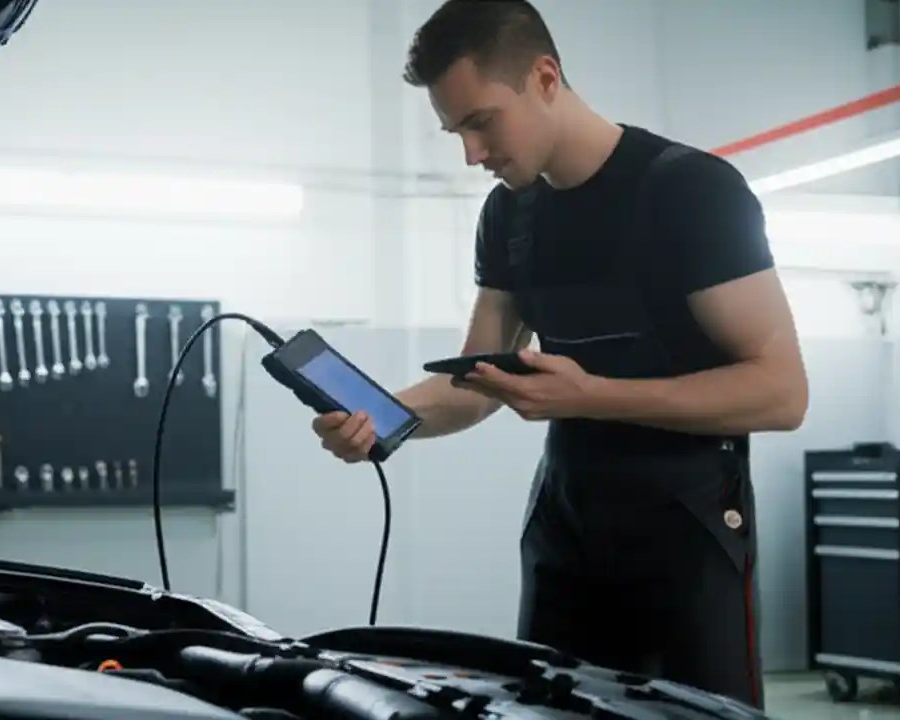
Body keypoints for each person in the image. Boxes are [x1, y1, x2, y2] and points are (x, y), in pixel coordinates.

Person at [310, 0, 808, 710]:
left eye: (481, 122)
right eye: (456, 132)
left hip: (688, 530)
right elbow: (476, 380)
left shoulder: (692, 192)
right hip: (565, 526)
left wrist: (592, 396)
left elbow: (782, 394)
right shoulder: (511, 213)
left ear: (545, 77)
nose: (471, 154)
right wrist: (382, 416)